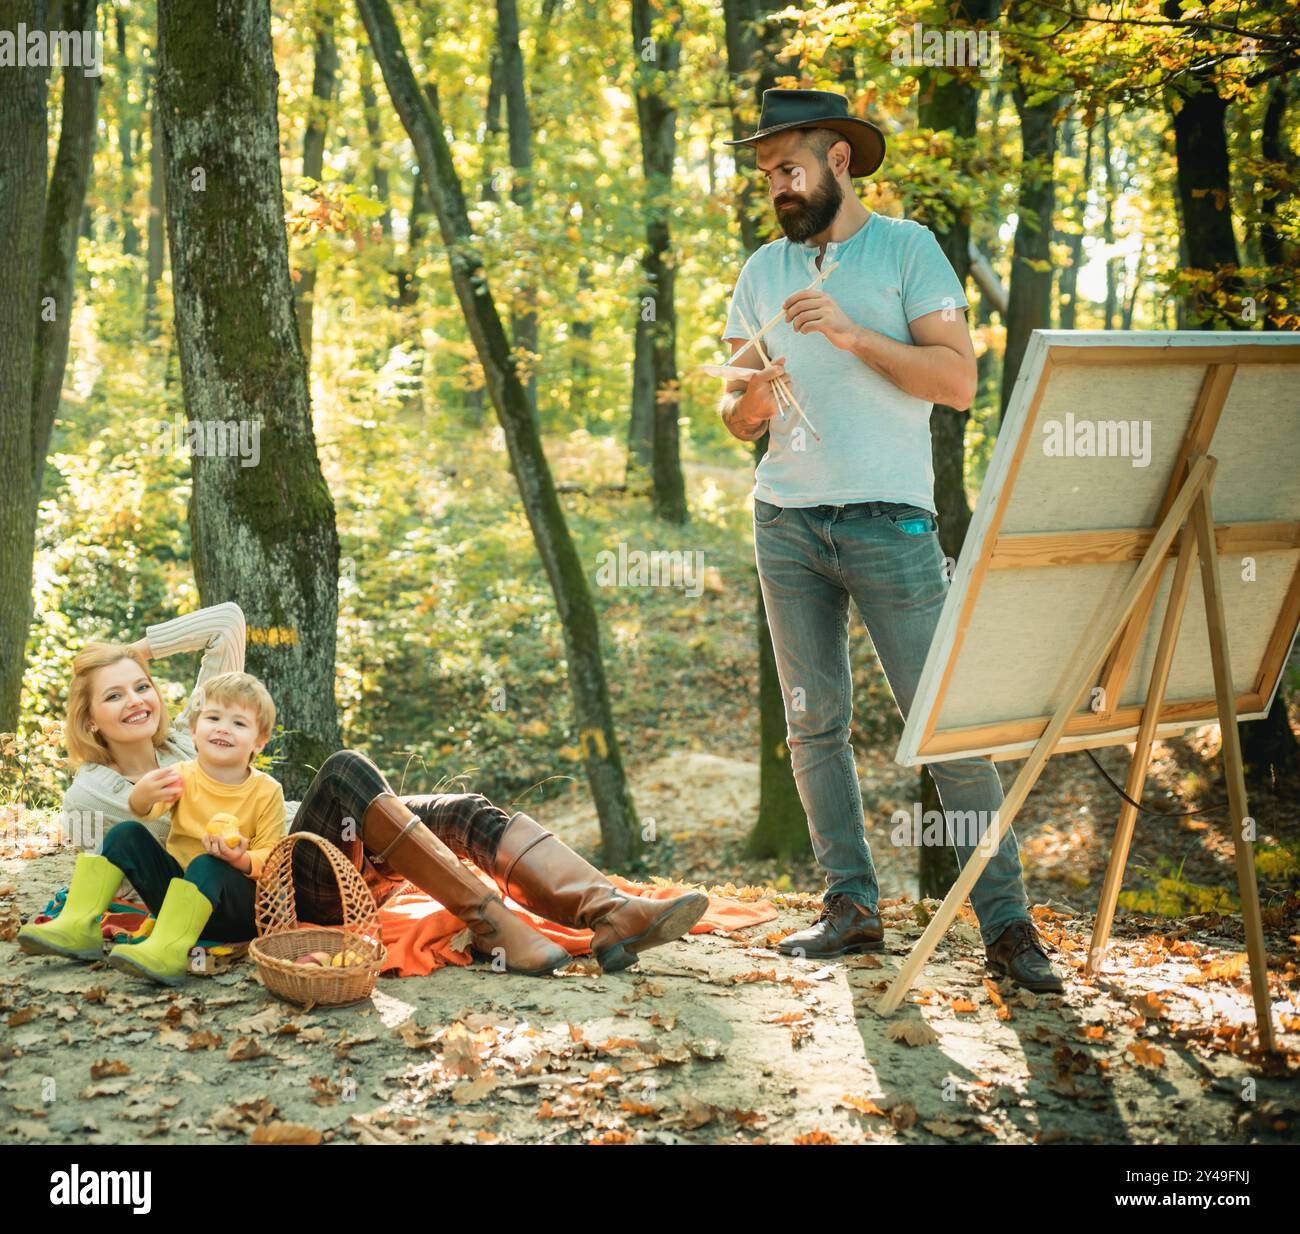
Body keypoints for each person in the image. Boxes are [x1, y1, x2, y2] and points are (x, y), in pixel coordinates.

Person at [718, 88, 1062, 992]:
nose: (777, 189)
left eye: (788, 169)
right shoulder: (761, 268)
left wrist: (852, 334)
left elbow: (954, 382)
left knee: (946, 731)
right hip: (786, 524)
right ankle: (851, 907)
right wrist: (749, 403)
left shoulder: (909, 250)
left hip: (891, 522)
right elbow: (734, 406)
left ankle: (1009, 929)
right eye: (766, 176)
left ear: (839, 160)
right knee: (812, 727)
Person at [29, 602, 706, 979]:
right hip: (283, 883)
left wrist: (133, 649)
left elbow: (228, 623)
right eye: (113, 696)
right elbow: (122, 858)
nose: (137, 700)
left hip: (320, 842)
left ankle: (609, 911)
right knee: (347, 769)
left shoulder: (197, 730)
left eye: (142, 685)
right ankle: (494, 924)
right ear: (88, 718)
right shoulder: (97, 790)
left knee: (463, 809)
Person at [20, 670, 284, 986]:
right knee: (126, 833)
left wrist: (240, 858)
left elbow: (272, 861)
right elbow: (145, 810)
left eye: (239, 723)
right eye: (213, 718)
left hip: (236, 911)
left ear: (259, 741)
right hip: (177, 902)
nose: (223, 729)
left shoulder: (266, 791)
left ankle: (167, 952)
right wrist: (141, 794)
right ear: (194, 730)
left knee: (207, 862)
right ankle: (77, 926)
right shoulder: (181, 775)